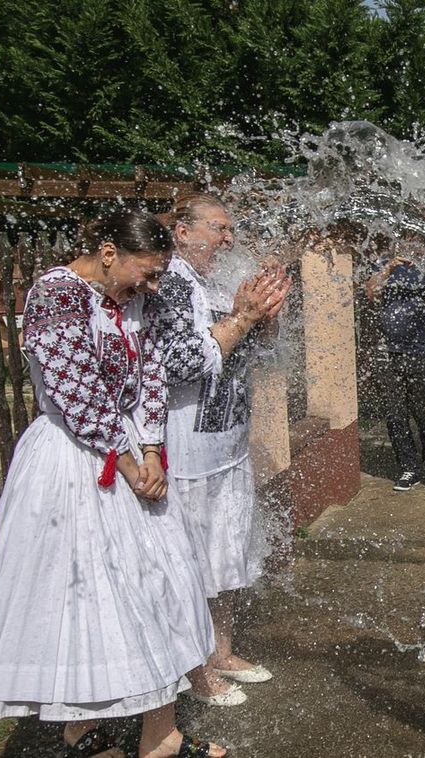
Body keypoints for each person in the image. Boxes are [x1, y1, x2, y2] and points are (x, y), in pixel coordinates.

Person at [0, 211, 226, 758]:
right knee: (83, 594)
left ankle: (161, 736)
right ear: (109, 253)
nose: (151, 286)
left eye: (157, 275)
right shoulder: (56, 294)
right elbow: (75, 387)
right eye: (146, 272)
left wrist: (152, 448)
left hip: (130, 447)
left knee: (163, 582)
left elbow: (151, 372)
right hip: (73, 457)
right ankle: (84, 729)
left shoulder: (136, 298)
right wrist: (128, 462)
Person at [151, 193, 290, 707]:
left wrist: (266, 321)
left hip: (227, 442)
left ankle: (222, 651)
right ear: (183, 232)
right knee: (192, 562)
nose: (228, 238)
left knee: (228, 552)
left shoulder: (214, 282)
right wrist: (244, 319)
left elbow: (259, 356)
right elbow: (179, 364)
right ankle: (196, 671)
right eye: (218, 228)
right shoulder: (169, 284)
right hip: (186, 448)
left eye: (229, 229)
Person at [366, 253, 425, 491]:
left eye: (415, 237)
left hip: (424, 351)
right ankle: (408, 468)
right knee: (394, 413)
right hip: (387, 352)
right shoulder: (384, 262)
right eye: (405, 237)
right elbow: (371, 293)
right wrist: (388, 268)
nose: (410, 241)